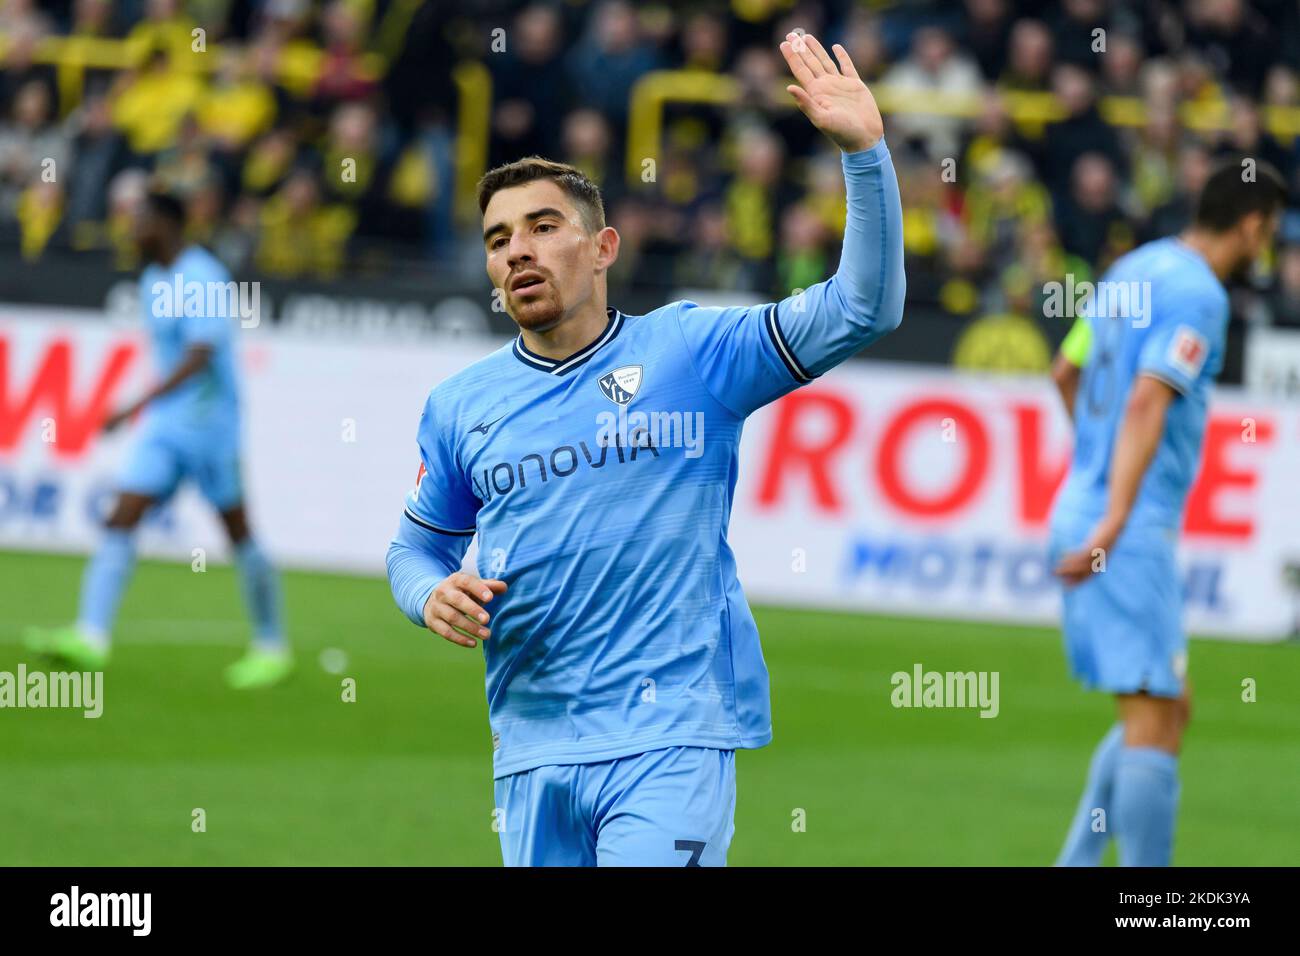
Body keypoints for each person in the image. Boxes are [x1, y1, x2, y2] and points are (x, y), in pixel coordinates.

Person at [385, 31, 905, 866]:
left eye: (543, 226)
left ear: (603, 248)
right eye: (496, 238)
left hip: (673, 738)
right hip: (532, 749)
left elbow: (862, 309)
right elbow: (416, 545)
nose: (516, 249)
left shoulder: (692, 353)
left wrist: (866, 158)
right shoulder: (460, 406)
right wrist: (428, 593)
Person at [1049, 159, 1286, 866]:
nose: (1266, 247)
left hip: (1084, 504)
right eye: (1268, 232)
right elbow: (1151, 400)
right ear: (1252, 225)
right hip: (1125, 528)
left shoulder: (1134, 269)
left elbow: (1066, 371)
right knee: (1153, 718)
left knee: (1162, 704)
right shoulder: (1202, 296)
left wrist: (1094, 473)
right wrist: (1116, 516)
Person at [25, 191, 291, 690]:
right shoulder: (152, 278)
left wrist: (132, 405)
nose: (131, 230)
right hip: (167, 428)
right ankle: (91, 636)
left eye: (140, 221)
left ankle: (271, 645)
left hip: (212, 428)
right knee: (122, 513)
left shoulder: (203, 275)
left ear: (168, 224)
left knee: (238, 532)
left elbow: (199, 355)